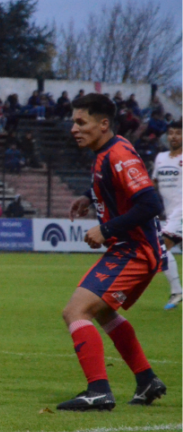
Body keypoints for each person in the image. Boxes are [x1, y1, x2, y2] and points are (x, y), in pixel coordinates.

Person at [59, 93, 167, 411]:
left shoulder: (118, 153)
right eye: (73, 122)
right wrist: (87, 198)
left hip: (133, 250)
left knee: (75, 312)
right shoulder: (106, 151)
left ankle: (98, 391)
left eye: (81, 122)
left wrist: (105, 229)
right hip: (130, 249)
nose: (74, 129)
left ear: (103, 124)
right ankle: (146, 380)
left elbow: (150, 204)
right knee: (104, 312)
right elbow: (113, 186)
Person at [151, 120, 183, 309]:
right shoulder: (161, 158)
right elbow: (153, 183)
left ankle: (177, 291)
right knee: (161, 248)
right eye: (171, 133)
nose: (173, 136)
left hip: (182, 211)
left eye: (178, 133)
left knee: (161, 246)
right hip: (171, 213)